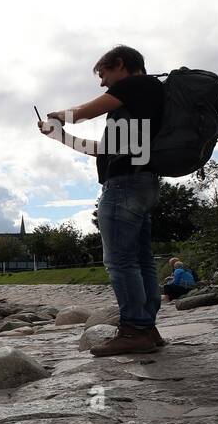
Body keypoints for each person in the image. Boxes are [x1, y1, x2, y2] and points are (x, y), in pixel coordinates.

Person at [39, 45, 166, 355]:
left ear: (120, 65)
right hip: (143, 181)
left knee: (120, 262)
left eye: (103, 74)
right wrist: (60, 137)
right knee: (141, 260)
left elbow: (84, 113)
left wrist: (59, 116)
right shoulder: (143, 100)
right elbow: (102, 150)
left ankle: (134, 329)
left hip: (123, 186)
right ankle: (146, 328)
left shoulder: (136, 85)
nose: (102, 83)